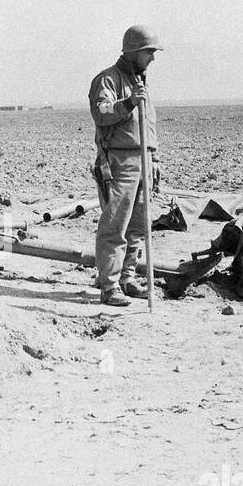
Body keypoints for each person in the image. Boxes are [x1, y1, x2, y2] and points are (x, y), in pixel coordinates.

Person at [88, 25, 162, 307]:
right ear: (133, 52)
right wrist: (128, 102)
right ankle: (109, 285)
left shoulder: (141, 84)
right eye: (149, 53)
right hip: (118, 162)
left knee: (138, 226)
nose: (153, 59)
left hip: (143, 161)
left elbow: (148, 126)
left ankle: (127, 279)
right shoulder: (108, 80)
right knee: (115, 225)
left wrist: (154, 159)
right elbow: (102, 112)